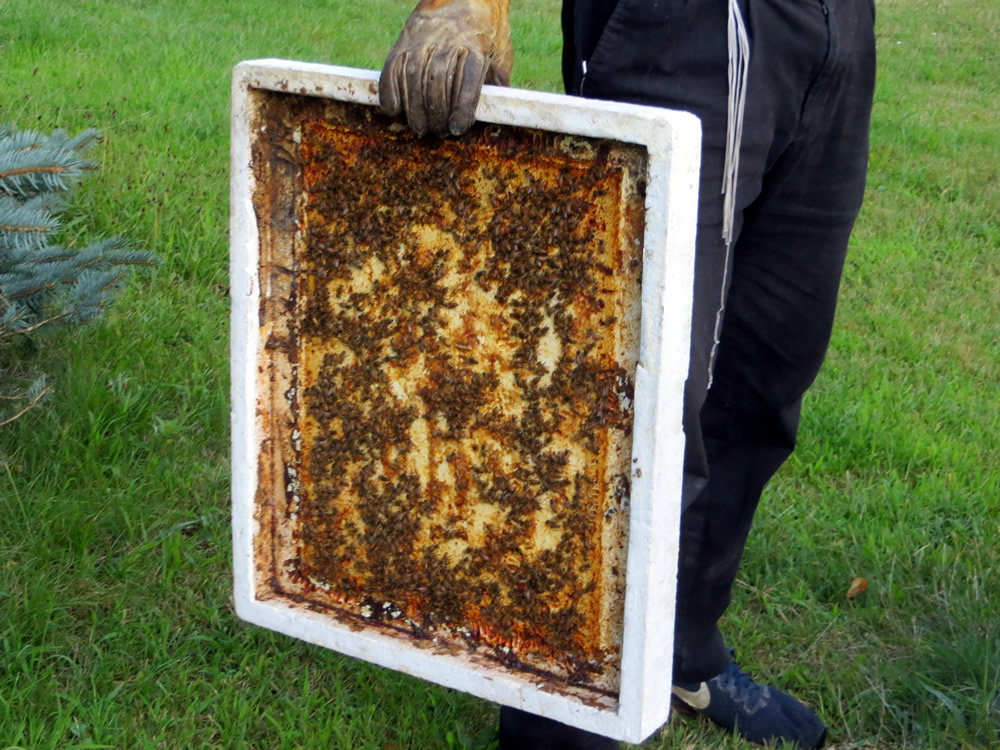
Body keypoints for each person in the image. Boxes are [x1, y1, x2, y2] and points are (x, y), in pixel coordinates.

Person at [378, 0, 876, 747]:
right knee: (623, 405)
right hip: (684, 29)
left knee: (763, 375)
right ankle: (560, 723)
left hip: (832, 30)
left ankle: (681, 648)